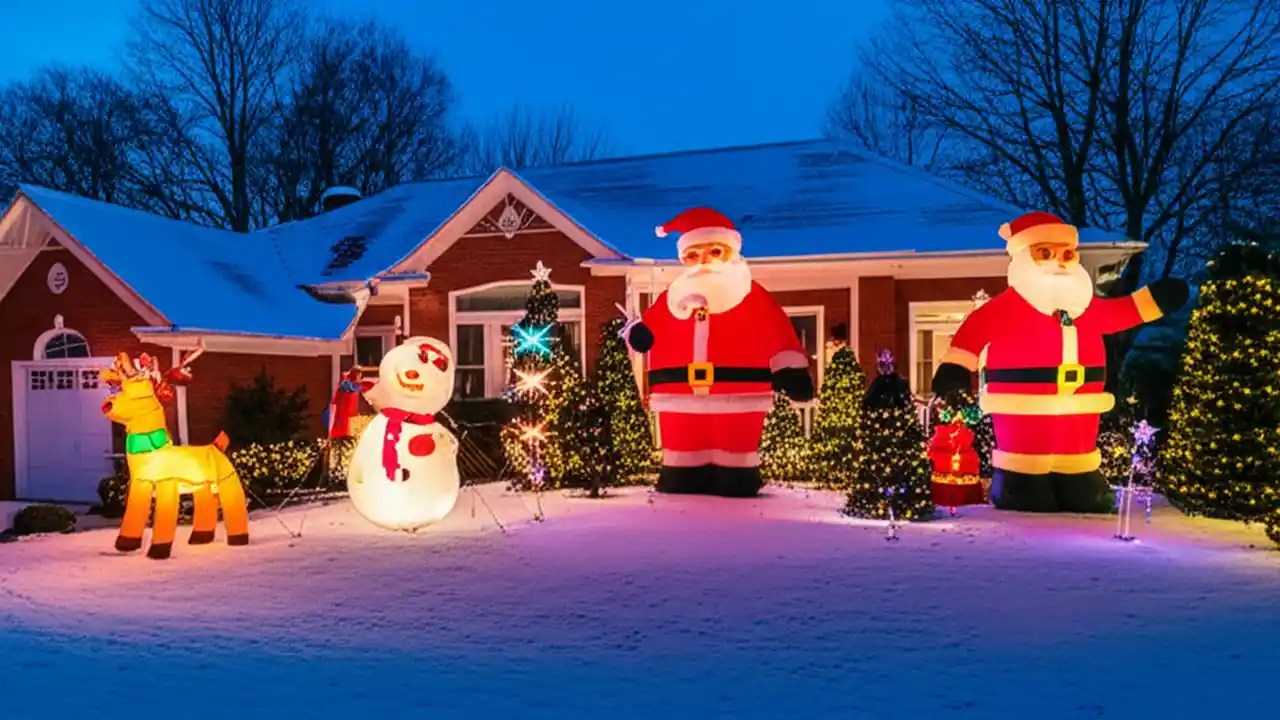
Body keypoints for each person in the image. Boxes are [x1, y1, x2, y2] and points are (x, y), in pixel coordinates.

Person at [931, 212, 1188, 512]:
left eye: (1068, 253)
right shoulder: (1008, 307)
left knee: (1075, 450)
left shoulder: (1085, 306)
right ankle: (1019, 479)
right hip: (1023, 405)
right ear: (1024, 257)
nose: (1061, 261)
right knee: (1028, 456)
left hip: (1081, 402)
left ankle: (1077, 478)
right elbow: (974, 332)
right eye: (1046, 253)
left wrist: (1154, 300)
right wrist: (956, 368)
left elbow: (1120, 313)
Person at [624, 207, 814, 497]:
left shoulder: (751, 294)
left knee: (734, 448)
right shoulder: (672, 296)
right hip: (679, 394)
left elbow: (777, 328)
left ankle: (736, 477)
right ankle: (682, 475)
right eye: (692, 255)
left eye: (715, 252)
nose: (703, 261)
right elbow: (650, 326)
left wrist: (790, 369)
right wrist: (639, 333)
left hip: (738, 391)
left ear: (731, 251)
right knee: (683, 448)